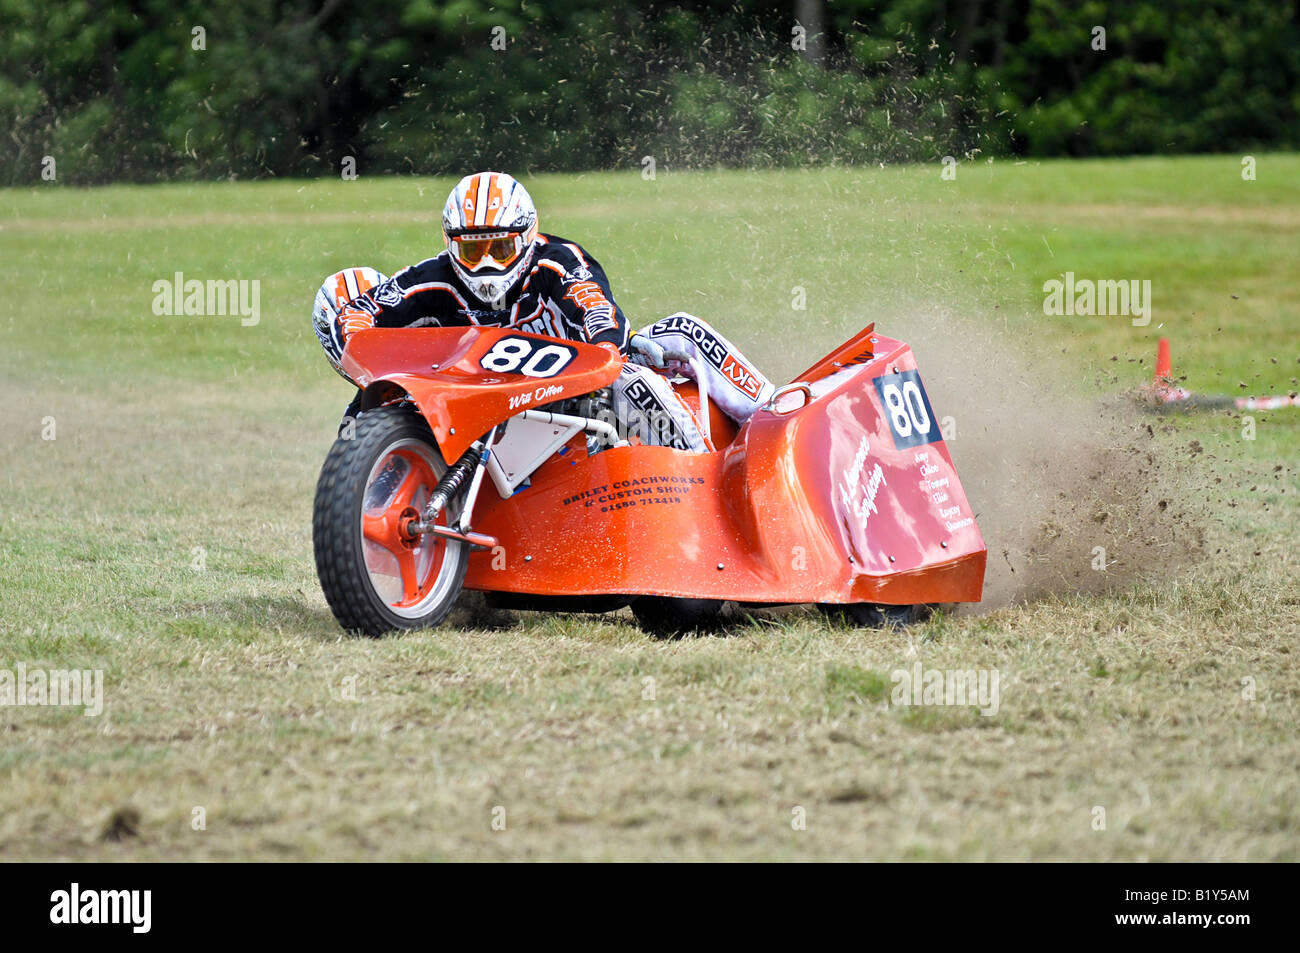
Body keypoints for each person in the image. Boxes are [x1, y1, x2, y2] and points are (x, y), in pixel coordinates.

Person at [312, 171, 774, 449]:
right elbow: (363, 312)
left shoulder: (561, 261)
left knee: (679, 331)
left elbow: (599, 314)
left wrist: (607, 355)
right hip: (482, 412)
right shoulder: (431, 278)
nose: (488, 264)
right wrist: (367, 370)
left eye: (501, 247)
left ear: (528, 236)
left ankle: (775, 419)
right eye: (474, 252)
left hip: (575, 393)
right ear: (451, 246)